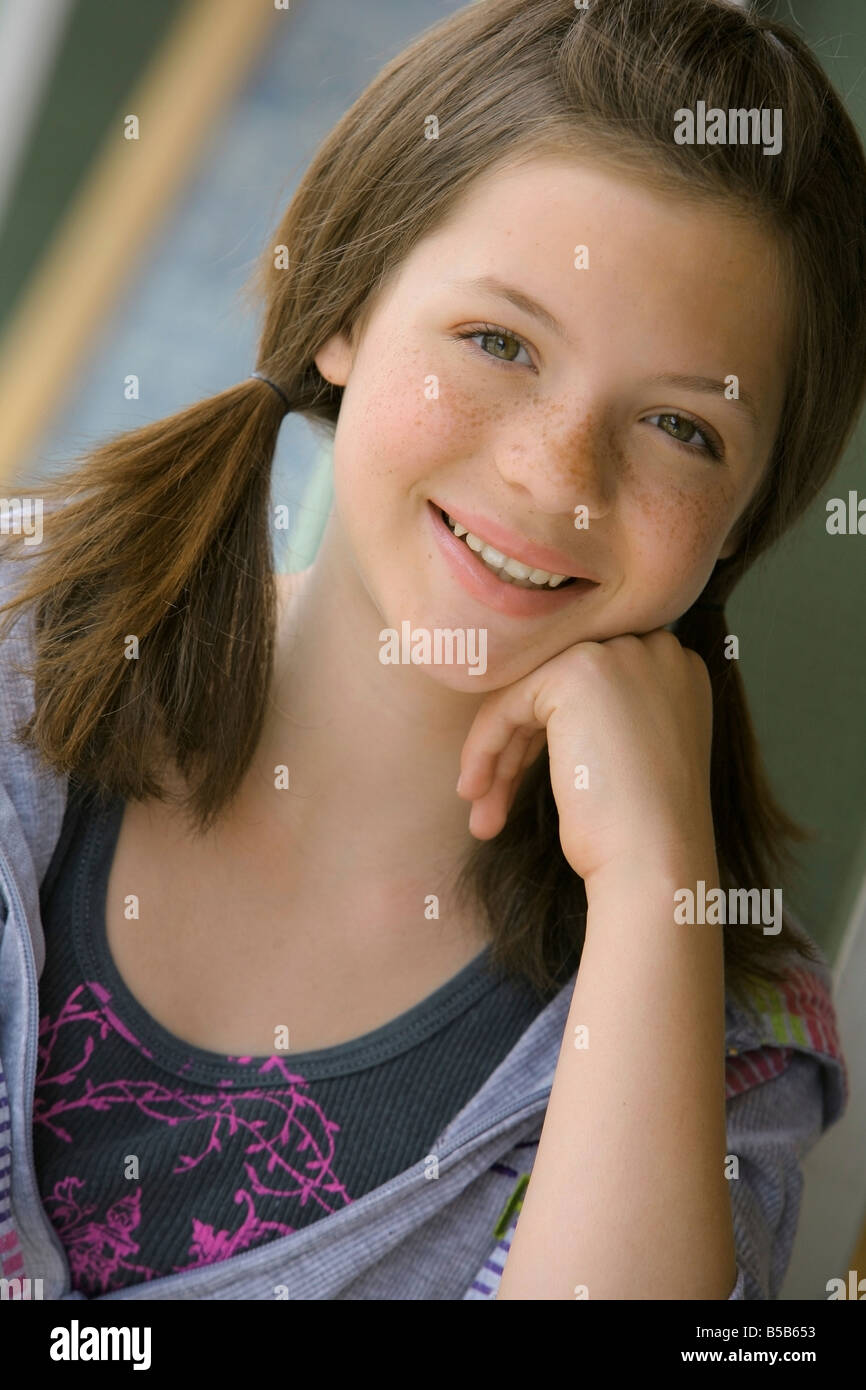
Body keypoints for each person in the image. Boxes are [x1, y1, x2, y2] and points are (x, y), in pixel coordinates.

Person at [0, 0, 861, 1301]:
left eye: (680, 427)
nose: (551, 471)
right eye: (497, 342)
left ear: (740, 522)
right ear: (342, 307)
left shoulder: (720, 1038)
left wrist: (649, 888)